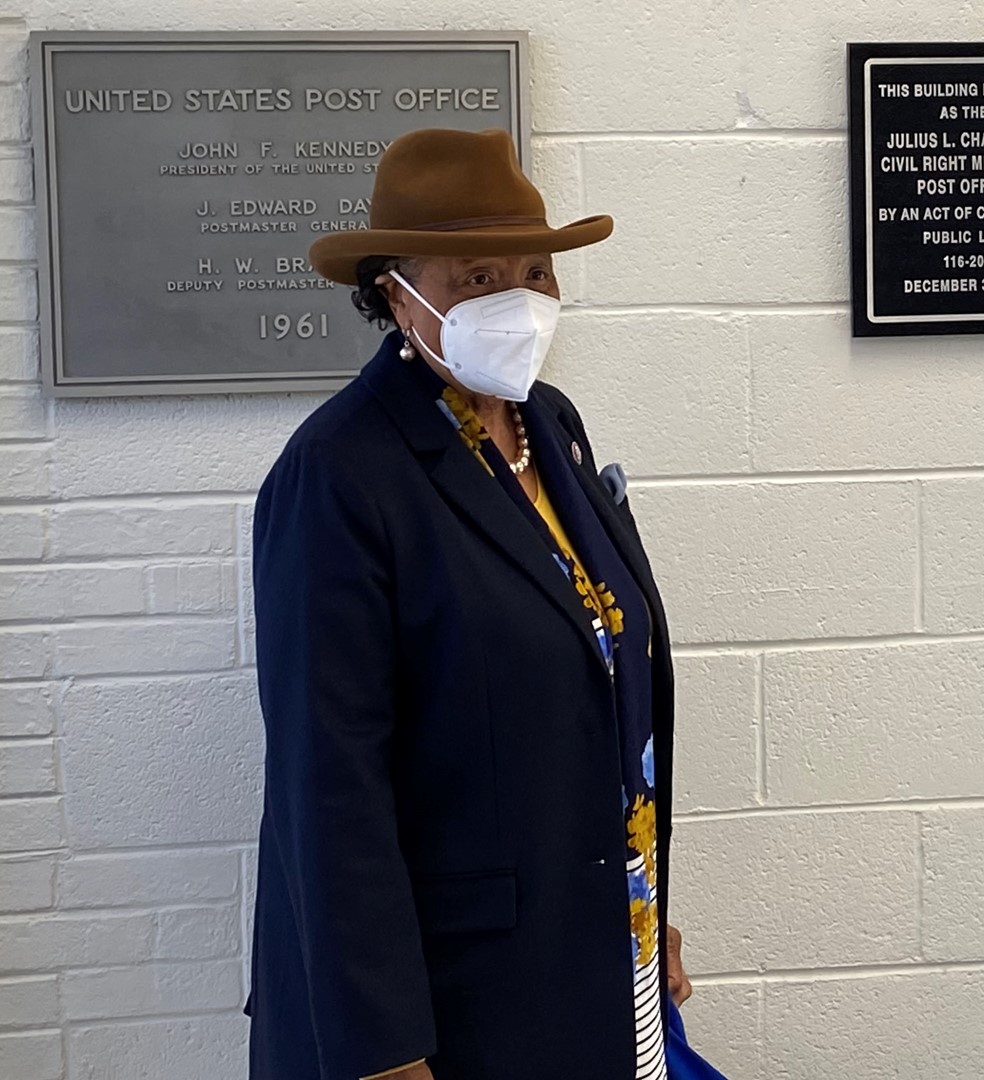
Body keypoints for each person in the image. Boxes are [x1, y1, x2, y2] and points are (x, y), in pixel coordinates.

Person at [248, 127, 692, 1080]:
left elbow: (603, 681)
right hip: (447, 1003)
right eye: (478, 278)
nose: (520, 301)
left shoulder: (553, 428)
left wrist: (649, 914)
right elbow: (328, 787)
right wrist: (381, 1048)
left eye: (537, 271)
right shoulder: (339, 475)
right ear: (396, 295)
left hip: (593, 956)